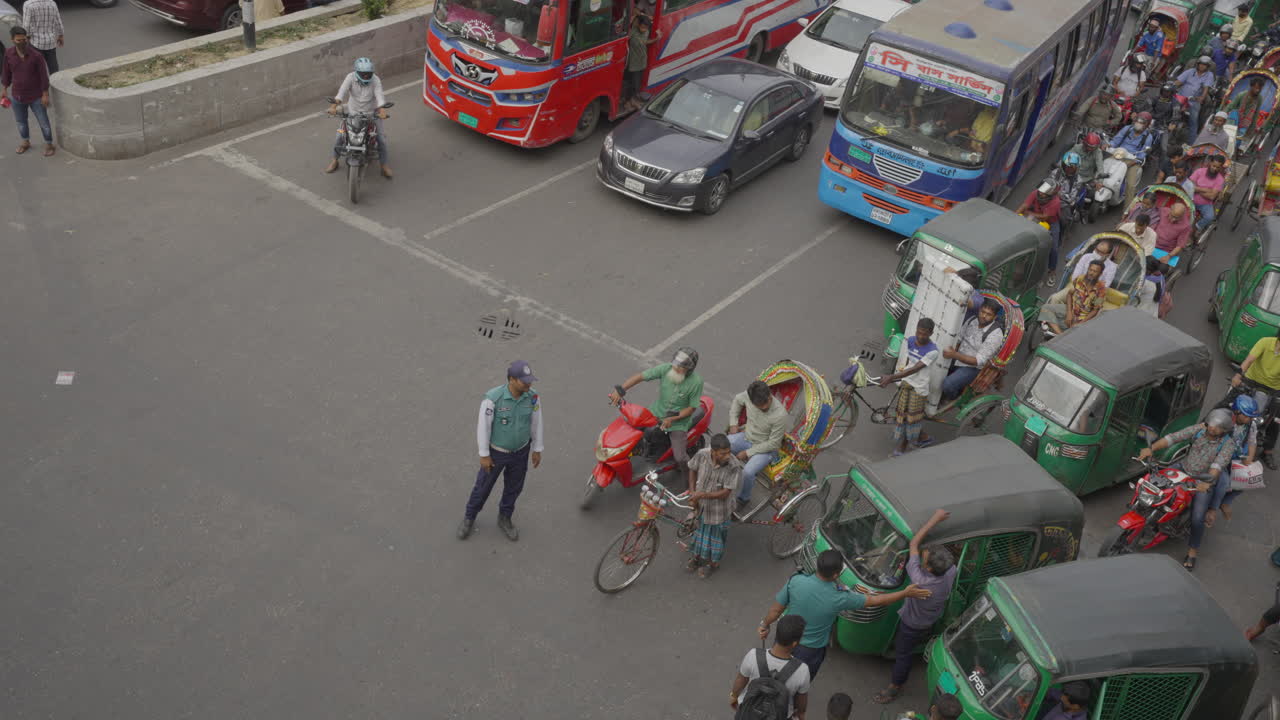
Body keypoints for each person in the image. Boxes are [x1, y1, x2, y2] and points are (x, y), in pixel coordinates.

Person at [758, 549, 931, 679]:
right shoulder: (841, 598)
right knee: (799, 682)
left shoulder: (796, 581)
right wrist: (905, 593)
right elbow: (876, 601)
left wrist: (764, 625)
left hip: (784, 639)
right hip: (811, 651)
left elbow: (775, 611)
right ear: (836, 574)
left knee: (774, 672)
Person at [873, 508, 957, 705]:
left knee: (903, 654)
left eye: (925, 557)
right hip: (930, 618)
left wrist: (933, 519)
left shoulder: (920, 580)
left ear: (927, 568)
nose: (922, 554)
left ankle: (895, 686)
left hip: (912, 624)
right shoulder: (951, 570)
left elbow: (913, 544)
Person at [1138, 408, 1237, 570]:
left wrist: (1207, 482)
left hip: (1202, 479)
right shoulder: (1199, 429)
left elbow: (1217, 465)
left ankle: (1192, 552)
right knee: (1155, 484)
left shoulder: (1228, 444)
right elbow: (1173, 438)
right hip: (1183, 468)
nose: (1212, 428)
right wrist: (1152, 448)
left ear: (1225, 430)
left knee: (1198, 517)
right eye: (1211, 424)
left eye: (1218, 427)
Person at [458, 361, 544, 542]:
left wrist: (537, 448)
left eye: (530, 381)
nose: (529, 385)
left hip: (521, 452)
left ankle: (505, 517)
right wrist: (484, 454)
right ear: (512, 379)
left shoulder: (533, 397)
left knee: (514, 488)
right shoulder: (493, 398)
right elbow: (484, 427)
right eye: (524, 381)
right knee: (482, 487)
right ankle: (469, 516)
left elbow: (536, 422)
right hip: (496, 454)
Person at [608, 347, 704, 486]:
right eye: (675, 364)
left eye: (680, 367)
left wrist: (672, 418)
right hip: (655, 412)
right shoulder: (666, 369)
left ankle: (690, 481)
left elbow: (691, 409)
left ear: (690, 368)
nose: (676, 368)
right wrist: (621, 390)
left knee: (680, 457)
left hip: (678, 422)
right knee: (632, 429)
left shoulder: (696, 382)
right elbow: (641, 376)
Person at [730, 615, 811, 720]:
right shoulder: (802, 670)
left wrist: (734, 696)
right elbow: (801, 704)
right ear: (795, 643)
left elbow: (741, 680)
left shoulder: (753, 655)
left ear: (777, 634)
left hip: (748, 712)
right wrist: (801, 714)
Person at [879, 318, 940, 456]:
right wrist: (901, 375)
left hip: (919, 388)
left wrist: (892, 377)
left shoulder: (933, 351)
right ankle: (924, 438)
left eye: (924, 334)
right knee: (903, 414)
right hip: (907, 382)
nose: (920, 336)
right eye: (919, 332)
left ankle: (902, 447)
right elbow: (909, 362)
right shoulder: (911, 340)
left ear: (931, 333)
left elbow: (916, 369)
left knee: (911, 419)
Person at [685, 433, 741, 578]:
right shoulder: (702, 454)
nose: (727, 456)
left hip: (719, 511)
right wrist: (692, 491)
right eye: (723, 453)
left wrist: (700, 495)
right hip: (702, 507)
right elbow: (692, 468)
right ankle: (697, 558)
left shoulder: (733, 466)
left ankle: (712, 563)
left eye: (729, 452)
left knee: (715, 540)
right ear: (713, 452)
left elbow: (725, 493)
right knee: (700, 534)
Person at [326, 57, 392, 178]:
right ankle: (335, 161)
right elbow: (340, 94)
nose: (366, 76)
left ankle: (384, 166)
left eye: (368, 74)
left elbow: (380, 97)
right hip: (352, 114)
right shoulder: (350, 77)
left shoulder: (375, 80)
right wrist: (333, 107)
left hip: (371, 114)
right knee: (340, 137)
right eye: (363, 74)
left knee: (381, 139)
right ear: (357, 72)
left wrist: (382, 111)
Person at [729, 380, 788, 513]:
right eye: (758, 405)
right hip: (747, 437)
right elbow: (737, 400)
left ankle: (743, 498)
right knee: (724, 445)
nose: (762, 407)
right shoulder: (749, 396)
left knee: (748, 472)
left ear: (769, 396)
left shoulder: (780, 415)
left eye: (765, 404)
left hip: (766, 449)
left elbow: (773, 443)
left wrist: (748, 453)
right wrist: (733, 423)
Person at [1226, 329, 1280, 469]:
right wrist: (1238, 375)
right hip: (1251, 379)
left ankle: (1267, 451)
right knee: (1226, 404)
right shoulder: (1265, 342)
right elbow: (1249, 360)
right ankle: (1205, 428)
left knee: (1275, 420)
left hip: (1272, 388)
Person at [0, 27, 53, 157]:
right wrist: (4, 89)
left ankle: (49, 144)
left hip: (36, 96)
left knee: (44, 123)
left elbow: (43, 76)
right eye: (18, 40)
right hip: (17, 96)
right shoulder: (8, 53)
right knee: (21, 122)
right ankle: (25, 142)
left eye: (24, 39)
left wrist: (45, 94)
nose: (22, 42)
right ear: (12, 40)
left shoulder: (37, 56)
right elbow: (6, 72)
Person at [940, 299, 1004, 400]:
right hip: (958, 356)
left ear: (994, 317)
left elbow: (978, 361)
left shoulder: (996, 335)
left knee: (948, 385)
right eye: (982, 312)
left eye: (988, 314)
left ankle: (953, 397)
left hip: (972, 368)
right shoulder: (972, 320)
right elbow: (959, 339)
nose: (984, 316)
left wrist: (954, 355)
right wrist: (951, 352)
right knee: (936, 365)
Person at [1039, 259, 1106, 334]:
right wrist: (1069, 313)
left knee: (1074, 330)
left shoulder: (1101, 289)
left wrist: (1082, 323)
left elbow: (1095, 310)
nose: (1091, 273)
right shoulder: (1080, 279)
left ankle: (1061, 332)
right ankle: (1060, 335)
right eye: (1090, 270)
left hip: (1084, 316)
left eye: (1095, 271)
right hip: (1072, 308)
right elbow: (1069, 294)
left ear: (1100, 274)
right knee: (1045, 308)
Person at [1016, 179, 1063, 282]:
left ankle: (1052, 270)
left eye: (1044, 191)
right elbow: (1024, 206)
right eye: (1041, 190)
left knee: (1053, 248)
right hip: (1034, 217)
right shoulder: (1035, 193)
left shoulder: (1056, 202)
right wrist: (1014, 216)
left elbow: (1045, 217)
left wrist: (1028, 213)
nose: (1041, 192)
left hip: (1051, 223)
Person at [1108, 113, 1155, 208]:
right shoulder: (1127, 129)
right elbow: (1116, 141)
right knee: (1103, 170)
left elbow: (1142, 155)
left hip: (1133, 161)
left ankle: (1126, 211)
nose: (1139, 123)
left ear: (1147, 125)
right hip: (1118, 155)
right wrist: (1109, 145)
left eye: (1142, 122)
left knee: (1130, 185)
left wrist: (1134, 161)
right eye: (1138, 120)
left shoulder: (1148, 137)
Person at [623, 14, 657, 111]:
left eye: (646, 28)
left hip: (642, 62)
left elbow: (645, 42)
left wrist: (656, 39)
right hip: (633, 64)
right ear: (638, 25)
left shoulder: (646, 32)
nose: (644, 29)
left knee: (636, 84)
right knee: (633, 84)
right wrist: (640, 15)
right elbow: (634, 16)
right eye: (642, 27)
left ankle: (632, 101)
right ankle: (629, 102)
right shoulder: (633, 31)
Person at [1174, 56, 1216, 133]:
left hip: (1193, 101)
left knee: (1193, 122)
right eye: (1201, 64)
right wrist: (1170, 85)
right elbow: (1178, 82)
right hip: (1180, 98)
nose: (1202, 66)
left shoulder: (1209, 75)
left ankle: (1191, 142)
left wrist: (1202, 97)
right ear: (1198, 64)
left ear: (1207, 66)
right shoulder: (1190, 71)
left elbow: (1206, 88)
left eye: (1205, 65)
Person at [20, 0, 62, 75]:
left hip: (36, 43)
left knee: (37, 68)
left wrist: (27, 38)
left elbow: (26, 26)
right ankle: (56, 82)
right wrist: (60, 35)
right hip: (50, 41)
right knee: (53, 66)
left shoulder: (28, 4)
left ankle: (40, 84)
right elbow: (58, 21)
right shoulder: (52, 3)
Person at [1226, 76, 1270, 141]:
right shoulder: (1242, 95)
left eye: (1260, 89)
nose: (1258, 90)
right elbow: (1230, 107)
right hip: (1234, 120)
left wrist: (1252, 129)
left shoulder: (1259, 98)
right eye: (1256, 88)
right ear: (1251, 86)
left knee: (1238, 141)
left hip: (1246, 123)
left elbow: (1256, 114)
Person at [1190, 153, 1227, 231]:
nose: (1215, 169)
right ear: (1210, 163)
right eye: (1213, 166)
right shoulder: (1199, 171)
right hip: (1191, 199)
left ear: (1221, 168)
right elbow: (1190, 186)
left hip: (1205, 204)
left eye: (1217, 167)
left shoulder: (1220, 180)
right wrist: (1206, 190)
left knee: (1210, 217)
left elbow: (1212, 196)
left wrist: (1197, 189)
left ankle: (1196, 228)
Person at [1051, 152, 1089, 226]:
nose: (1068, 169)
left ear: (1076, 168)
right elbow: (1048, 183)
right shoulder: (1056, 172)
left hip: (1062, 204)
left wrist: (1059, 194)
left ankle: (1061, 235)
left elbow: (1071, 198)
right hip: (1049, 198)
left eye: (1071, 168)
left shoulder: (1078, 180)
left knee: (1063, 222)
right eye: (1066, 166)